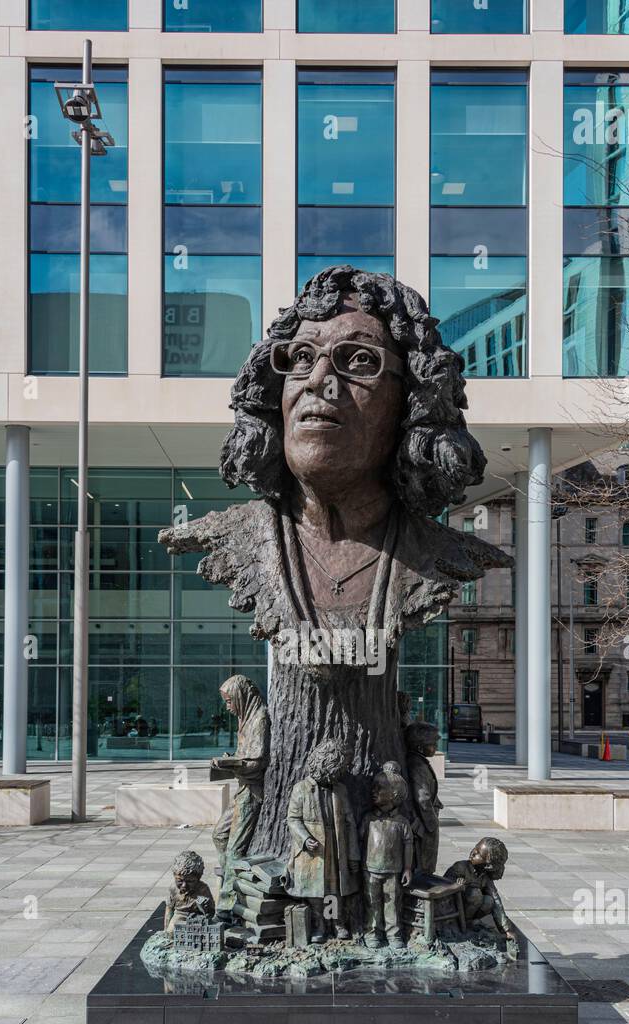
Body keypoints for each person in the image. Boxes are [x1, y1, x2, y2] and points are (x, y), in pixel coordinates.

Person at [159, 266, 509, 858]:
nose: (320, 379)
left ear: (413, 402)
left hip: (384, 844)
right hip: (277, 840)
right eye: (300, 358)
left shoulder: (442, 556)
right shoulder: (233, 539)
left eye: (360, 362)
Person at [285, 740, 361, 943]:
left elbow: (350, 822)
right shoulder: (301, 789)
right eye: (339, 768)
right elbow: (293, 819)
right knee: (316, 889)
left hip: (336, 847)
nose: (342, 773)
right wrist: (305, 838)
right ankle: (319, 923)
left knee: (334, 887)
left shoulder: (340, 790)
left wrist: (353, 854)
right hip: (315, 850)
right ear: (328, 767)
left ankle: (335, 921)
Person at [210, 675, 270, 919]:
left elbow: (257, 762)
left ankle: (227, 906)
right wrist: (230, 759)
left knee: (235, 847)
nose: (228, 707)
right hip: (242, 788)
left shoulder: (260, 718)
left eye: (229, 701)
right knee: (219, 835)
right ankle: (229, 881)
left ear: (240, 697)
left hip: (253, 792)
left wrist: (230, 763)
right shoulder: (246, 718)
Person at [360, 762, 413, 948]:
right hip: (370, 869)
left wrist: (407, 868)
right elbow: (358, 841)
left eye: (379, 788)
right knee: (372, 902)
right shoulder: (368, 819)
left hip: (393, 871)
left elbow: (408, 845)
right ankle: (372, 931)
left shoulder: (402, 823)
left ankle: (394, 933)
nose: (373, 791)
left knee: (392, 904)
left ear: (394, 794)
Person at [443, 837, 518, 953]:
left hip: (468, 913)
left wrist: (506, 930)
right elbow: (442, 887)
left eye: (478, 854)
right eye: (475, 848)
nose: (473, 853)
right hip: (452, 910)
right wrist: (455, 887)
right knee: (475, 894)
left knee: (489, 901)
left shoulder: (485, 877)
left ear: (488, 865)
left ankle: (469, 923)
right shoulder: (460, 867)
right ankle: (460, 925)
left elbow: (496, 901)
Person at [405, 721, 442, 874]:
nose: (436, 747)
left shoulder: (419, 761)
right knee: (425, 855)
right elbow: (422, 798)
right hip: (424, 822)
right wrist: (432, 824)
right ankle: (424, 877)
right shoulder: (417, 765)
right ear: (420, 746)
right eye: (433, 744)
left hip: (426, 819)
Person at [164, 850, 216, 935]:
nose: (184, 885)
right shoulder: (173, 889)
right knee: (171, 933)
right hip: (180, 915)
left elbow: (212, 912)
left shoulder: (203, 889)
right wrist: (165, 929)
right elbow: (169, 909)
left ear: (198, 879)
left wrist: (206, 908)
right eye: (180, 881)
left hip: (198, 918)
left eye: (190, 881)